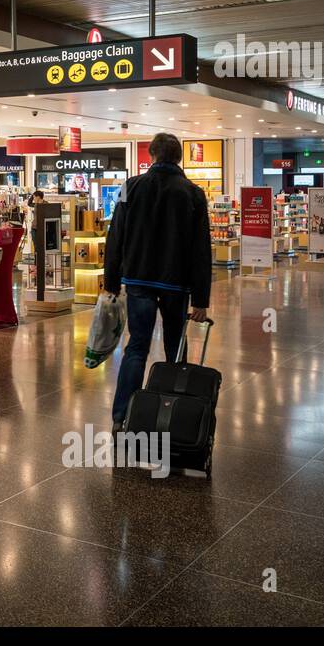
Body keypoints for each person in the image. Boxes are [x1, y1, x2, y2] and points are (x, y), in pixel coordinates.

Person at [104, 132, 212, 429]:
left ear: (151, 155)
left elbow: (116, 237)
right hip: (176, 282)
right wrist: (201, 299)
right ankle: (173, 414)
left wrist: (111, 281)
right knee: (176, 345)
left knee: (137, 346)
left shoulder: (130, 187)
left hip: (137, 278)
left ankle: (121, 416)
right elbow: (201, 248)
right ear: (178, 158)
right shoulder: (192, 193)